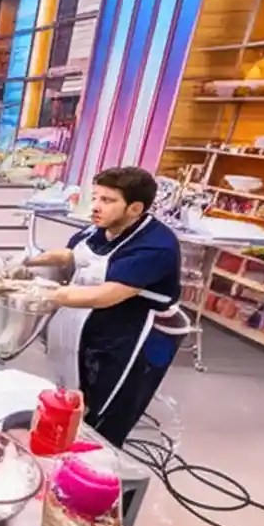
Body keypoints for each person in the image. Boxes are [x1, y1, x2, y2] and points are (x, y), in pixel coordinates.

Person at [25, 166, 187, 446]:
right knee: (72, 398)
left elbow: (107, 295)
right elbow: (74, 255)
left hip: (131, 339)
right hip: (91, 328)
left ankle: (97, 463)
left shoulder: (156, 247)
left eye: (107, 200)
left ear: (135, 208)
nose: (96, 206)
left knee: (105, 416)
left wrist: (39, 292)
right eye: (96, 197)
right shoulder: (103, 227)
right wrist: (28, 262)